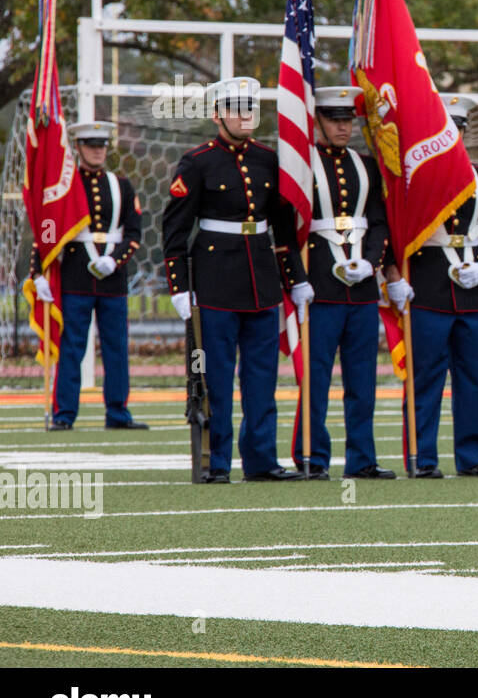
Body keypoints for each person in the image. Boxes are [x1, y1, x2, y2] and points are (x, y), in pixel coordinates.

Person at [162, 77, 313, 482]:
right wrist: (179, 287)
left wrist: (294, 279)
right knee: (216, 376)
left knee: (262, 377)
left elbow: (282, 228)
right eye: (236, 109)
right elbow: (174, 231)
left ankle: (262, 461)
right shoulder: (197, 163)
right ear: (217, 115)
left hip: (261, 278)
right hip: (214, 282)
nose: (245, 116)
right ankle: (217, 461)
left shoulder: (268, 159)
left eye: (250, 108)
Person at [382, 93, 478, 478]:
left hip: (470, 293)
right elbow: (392, 232)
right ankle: (423, 459)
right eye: (447, 130)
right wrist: (393, 276)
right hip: (428, 288)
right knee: (426, 379)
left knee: (471, 379)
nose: (455, 136)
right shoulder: (413, 177)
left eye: (459, 130)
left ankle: (472, 458)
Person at [290, 86, 395, 480]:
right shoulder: (301, 167)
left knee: (362, 380)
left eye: (348, 119)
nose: (342, 127)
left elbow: (380, 222)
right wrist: (297, 281)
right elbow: (290, 227)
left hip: (361, 290)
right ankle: (312, 457)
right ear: (317, 121)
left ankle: (362, 459)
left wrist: (371, 263)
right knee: (315, 378)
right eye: (334, 119)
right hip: (320, 288)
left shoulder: (366, 165)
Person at [29, 119, 147, 431]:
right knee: (72, 347)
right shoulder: (65, 186)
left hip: (112, 276)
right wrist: (38, 271)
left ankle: (118, 412)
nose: (97, 151)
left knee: (116, 347)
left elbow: (133, 233)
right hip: (75, 275)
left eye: (102, 145)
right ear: (78, 147)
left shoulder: (122, 185)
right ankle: (64, 414)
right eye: (91, 145)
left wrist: (115, 260)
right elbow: (47, 231)